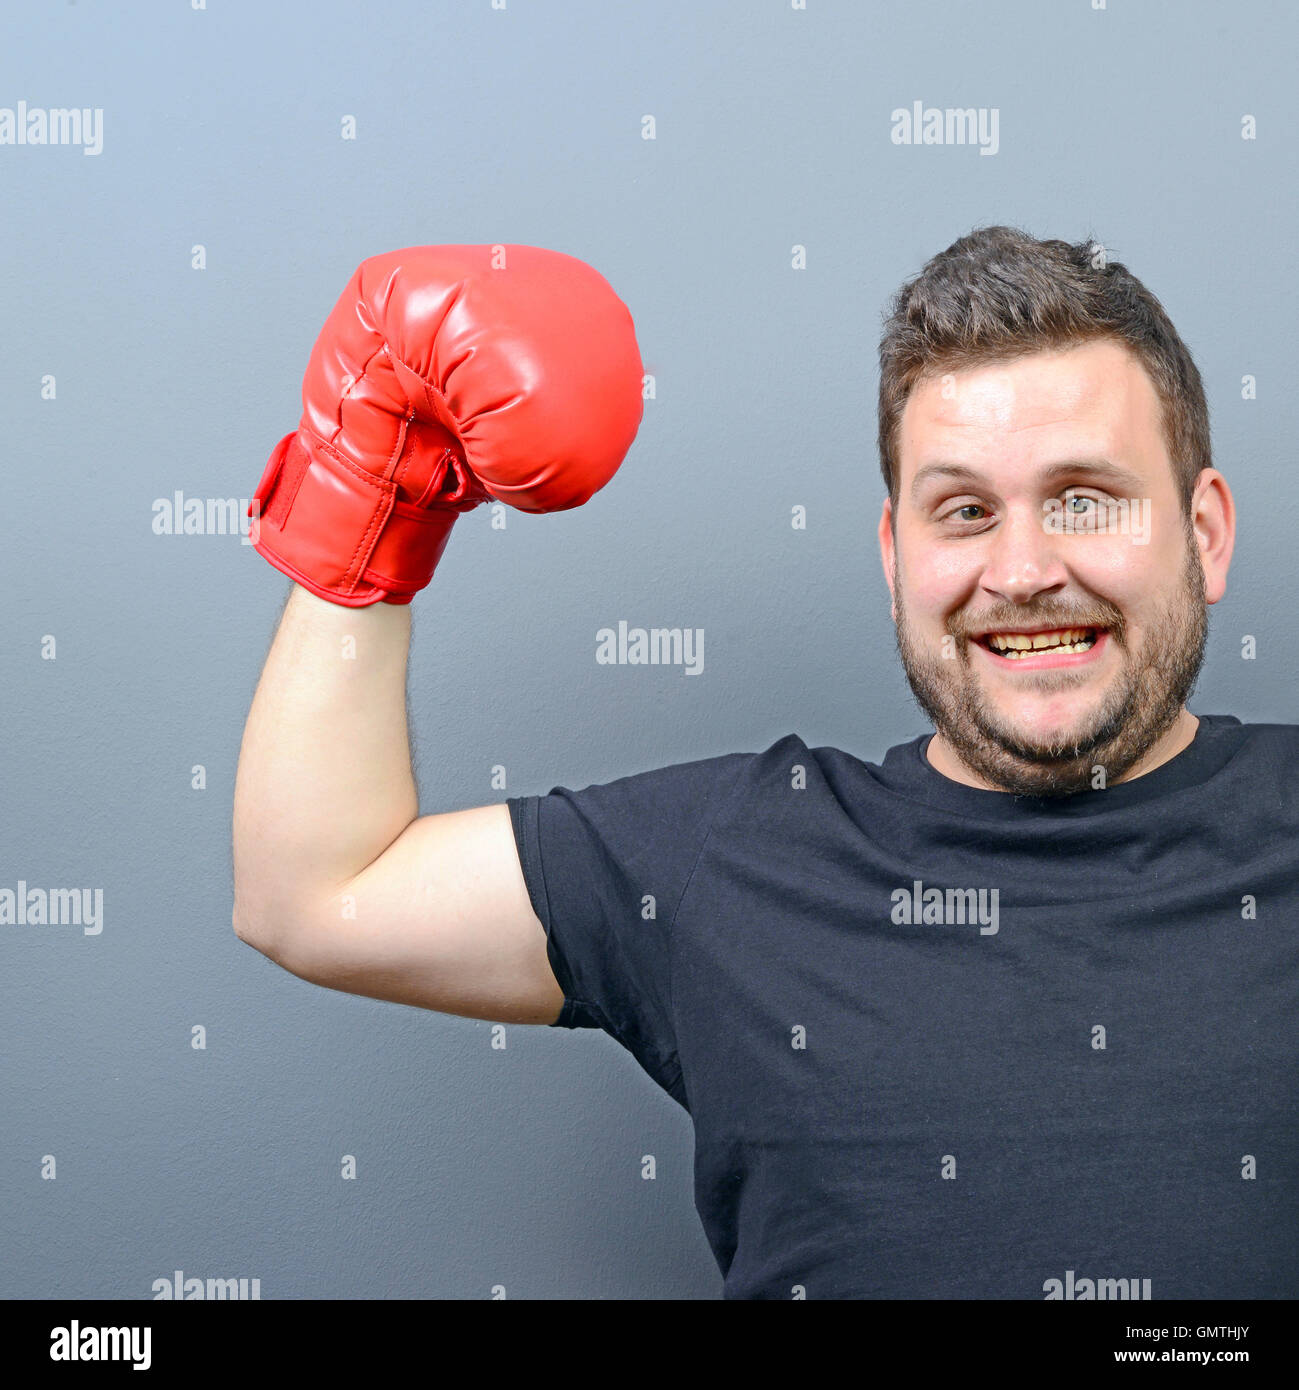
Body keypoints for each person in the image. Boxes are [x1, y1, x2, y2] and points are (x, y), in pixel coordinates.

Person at [232, 228, 1298, 1299]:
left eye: (1082, 499)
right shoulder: (734, 857)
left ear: (1204, 535)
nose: (1020, 571)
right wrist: (372, 484)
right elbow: (318, 893)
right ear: (897, 557)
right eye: (965, 512)